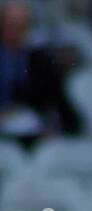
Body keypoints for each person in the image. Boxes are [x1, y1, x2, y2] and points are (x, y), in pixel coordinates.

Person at [0, 0, 82, 142]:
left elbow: (63, 107)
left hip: (32, 133)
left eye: (22, 27)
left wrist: (53, 128)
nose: (16, 33)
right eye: (11, 26)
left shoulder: (41, 61)